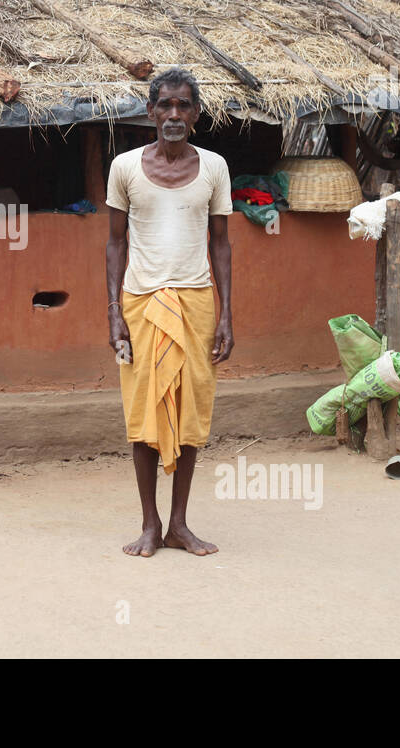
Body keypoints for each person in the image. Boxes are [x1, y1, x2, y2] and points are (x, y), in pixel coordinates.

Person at [105, 67, 234, 558]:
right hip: (140, 305)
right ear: (150, 112)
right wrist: (113, 312)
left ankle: (179, 523)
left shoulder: (216, 168)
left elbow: (221, 245)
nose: (174, 114)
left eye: (184, 106)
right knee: (144, 412)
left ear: (196, 114)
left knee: (190, 412)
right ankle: (150, 524)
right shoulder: (125, 168)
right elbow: (114, 244)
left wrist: (225, 315)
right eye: (165, 105)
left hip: (197, 303)